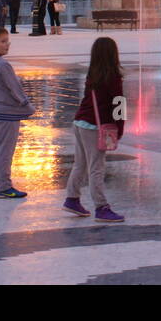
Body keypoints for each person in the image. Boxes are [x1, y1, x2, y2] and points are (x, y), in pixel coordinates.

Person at [62, 36, 126, 222]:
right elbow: (119, 105)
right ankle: (101, 207)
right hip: (95, 127)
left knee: (80, 163)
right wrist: (119, 129)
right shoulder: (113, 77)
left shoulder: (92, 74)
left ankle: (72, 198)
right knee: (96, 167)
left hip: (80, 121)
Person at [0, 26, 33, 198]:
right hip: (7, 113)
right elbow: (15, 88)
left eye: (7, 41)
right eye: (2, 42)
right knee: (4, 151)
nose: (7, 45)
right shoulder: (3, 65)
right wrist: (26, 105)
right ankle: (4, 186)